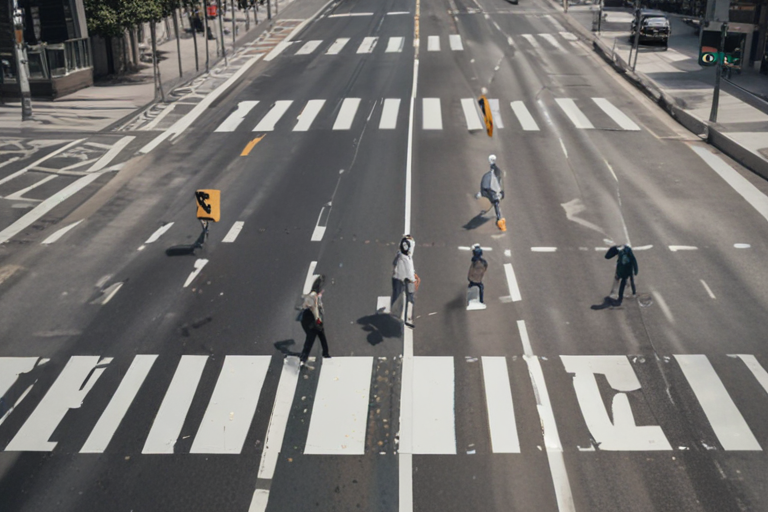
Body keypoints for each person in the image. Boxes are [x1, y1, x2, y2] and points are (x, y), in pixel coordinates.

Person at [300, 275, 331, 365]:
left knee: (321, 335)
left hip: (312, 317)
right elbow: (314, 309)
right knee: (311, 337)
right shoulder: (313, 295)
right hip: (310, 318)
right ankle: (304, 357)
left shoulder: (315, 295)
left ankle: (325, 353)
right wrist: (318, 320)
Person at [391, 234, 420, 328]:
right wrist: (413, 279)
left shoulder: (399, 254)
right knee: (410, 298)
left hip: (397, 278)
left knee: (397, 296)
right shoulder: (407, 257)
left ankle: (395, 314)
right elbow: (409, 270)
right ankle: (408, 318)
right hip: (406, 279)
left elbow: (394, 263)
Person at [479, 155, 506, 232]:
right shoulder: (491, 178)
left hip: (493, 191)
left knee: (496, 204)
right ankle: (499, 220)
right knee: (495, 204)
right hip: (492, 191)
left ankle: (499, 220)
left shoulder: (495, 176)